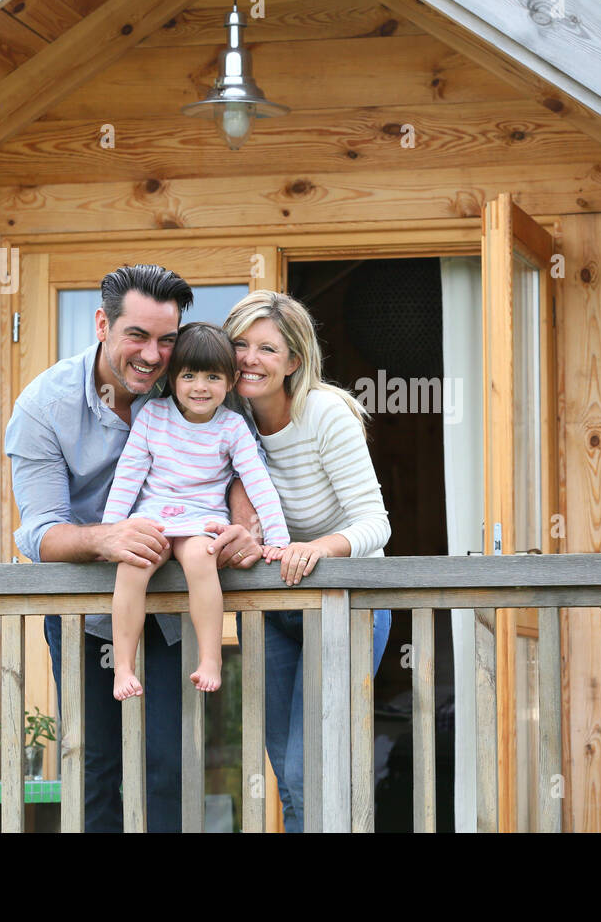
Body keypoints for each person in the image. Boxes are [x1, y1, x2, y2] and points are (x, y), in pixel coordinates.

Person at [4, 265, 263, 832]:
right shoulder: (43, 408)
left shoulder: (197, 385)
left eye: (166, 339)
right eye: (137, 336)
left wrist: (248, 526)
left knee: (170, 763)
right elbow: (39, 533)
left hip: (175, 604)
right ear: (102, 324)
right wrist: (105, 536)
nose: (152, 355)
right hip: (90, 611)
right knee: (95, 765)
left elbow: (241, 460)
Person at [223, 290, 393, 832]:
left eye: (268, 348)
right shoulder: (225, 418)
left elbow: (375, 523)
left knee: (310, 768)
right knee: (289, 774)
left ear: (294, 360)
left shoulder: (325, 413)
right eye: (240, 345)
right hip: (275, 607)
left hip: (345, 605)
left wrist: (315, 547)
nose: (251, 358)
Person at [103, 323, 289, 699]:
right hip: (152, 518)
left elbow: (258, 482)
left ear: (231, 379)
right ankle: (123, 665)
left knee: (203, 560)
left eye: (212, 376)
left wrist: (279, 538)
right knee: (132, 568)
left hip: (200, 521)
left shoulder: (232, 427)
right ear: (173, 378)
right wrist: (111, 532)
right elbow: (128, 475)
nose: (200, 386)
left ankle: (210, 658)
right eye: (188, 375)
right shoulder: (153, 416)